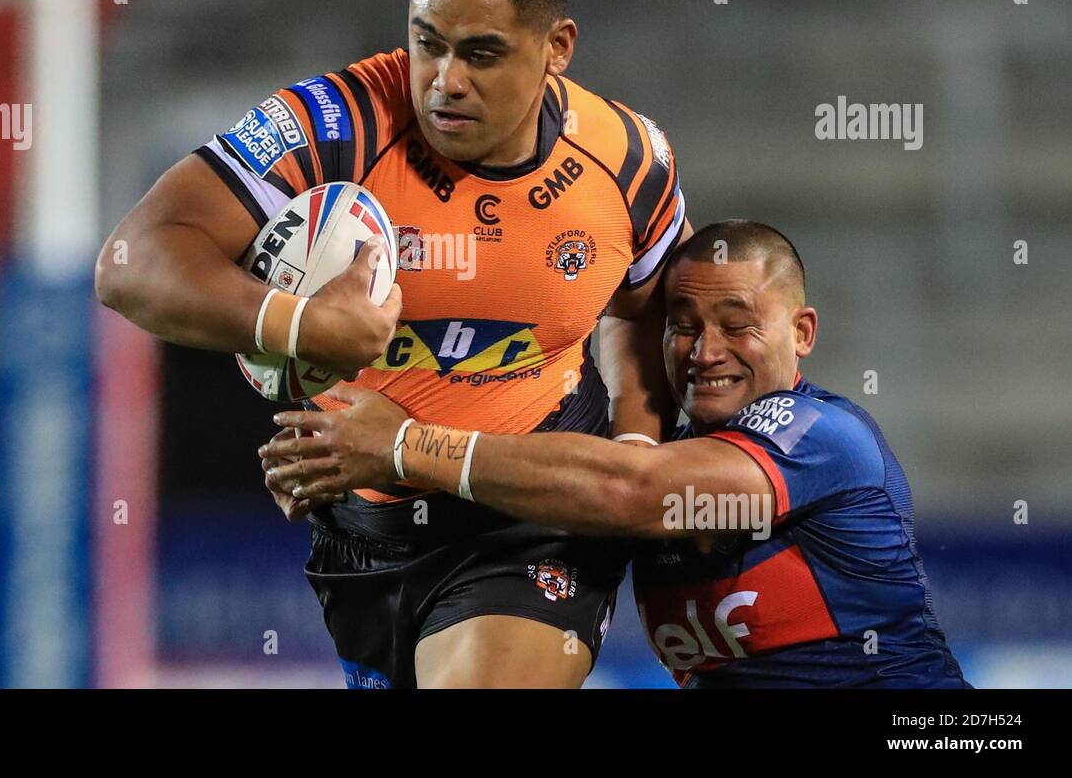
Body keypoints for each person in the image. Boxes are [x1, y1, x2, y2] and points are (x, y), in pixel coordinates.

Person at [97, 0, 691, 688]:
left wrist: (633, 463)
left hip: (532, 520)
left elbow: (646, 308)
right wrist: (304, 323)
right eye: (428, 43)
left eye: (482, 54)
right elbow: (127, 261)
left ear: (557, 49)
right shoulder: (335, 121)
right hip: (364, 531)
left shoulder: (629, 160)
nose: (446, 80)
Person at [263, 220, 969, 687]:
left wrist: (403, 445)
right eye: (683, 327)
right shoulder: (655, 459)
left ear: (804, 331)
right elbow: (538, 481)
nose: (706, 350)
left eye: (737, 325)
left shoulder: (821, 436)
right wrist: (338, 467)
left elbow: (633, 492)